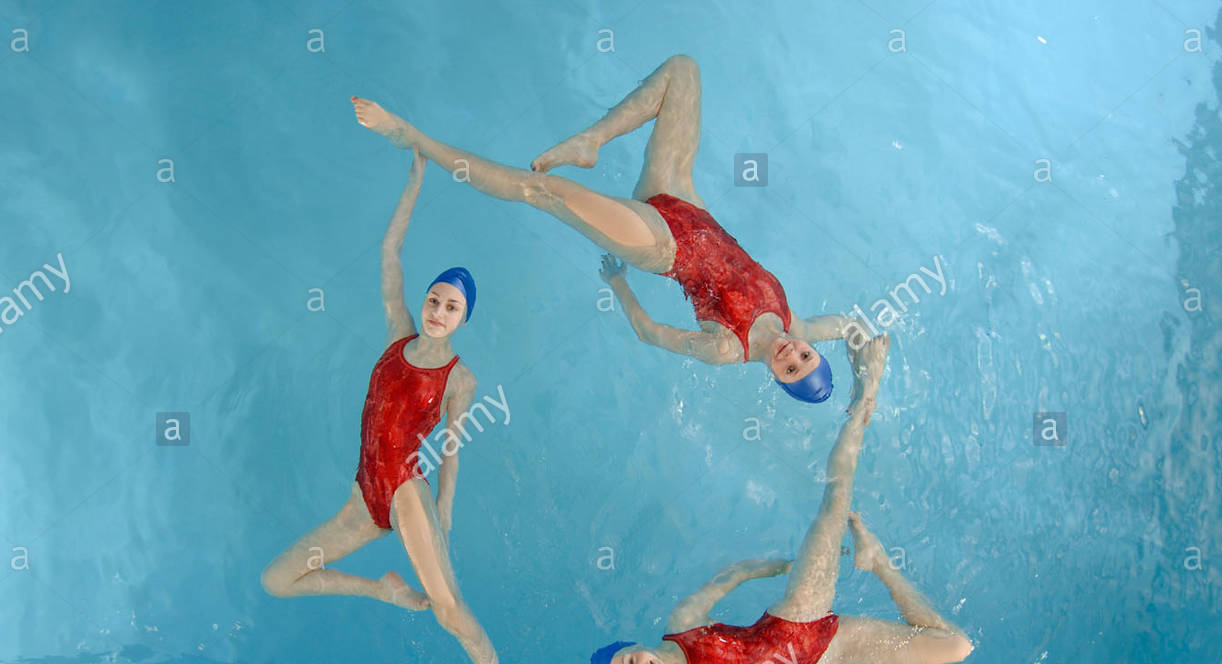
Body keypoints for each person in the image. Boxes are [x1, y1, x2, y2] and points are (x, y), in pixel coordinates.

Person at [513, 335, 973, 664]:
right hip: (822, 654)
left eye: (629, 662)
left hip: (798, 612)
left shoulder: (681, 626)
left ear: (633, 646)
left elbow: (730, 576)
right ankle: (880, 564)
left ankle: (866, 390)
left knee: (835, 499)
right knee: (955, 646)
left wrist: (786, 568)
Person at [351, 54, 862, 403]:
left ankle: (411, 136)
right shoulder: (798, 324)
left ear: (776, 378)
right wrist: (869, 375)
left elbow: (650, 333)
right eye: (804, 356)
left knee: (543, 192)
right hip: (685, 202)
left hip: (660, 244)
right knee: (683, 71)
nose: (791, 354)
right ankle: (590, 141)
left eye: (790, 369)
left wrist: (619, 284)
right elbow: (853, 327)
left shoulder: (727, 350)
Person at [261, 149, 529, 664]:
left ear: (464, 319)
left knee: (450, 611)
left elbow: (453, 447)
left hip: (407, 490)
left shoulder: (460, 378)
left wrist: (444, 507)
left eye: (450, 308)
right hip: (365, 496)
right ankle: (379, 591)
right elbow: (389, 255)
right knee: (277, 580)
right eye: (434, 300)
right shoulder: (395, 333)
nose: (436, 312)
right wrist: (414, 182)